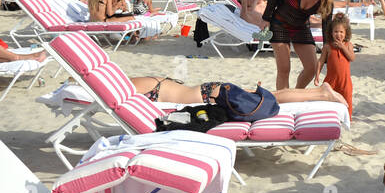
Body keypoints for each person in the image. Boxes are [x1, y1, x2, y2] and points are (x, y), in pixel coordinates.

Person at [263, 0, 336, 90]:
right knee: (284, 69)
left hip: (300, 27)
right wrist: (266, 18)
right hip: (279, 24)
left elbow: (327, 23)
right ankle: (284, 100)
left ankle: (296, 93)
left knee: (311, 68)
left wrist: (327, 44)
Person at [129, 75, 344, 108]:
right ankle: (318, 91)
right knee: (270, 95)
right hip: (210, 90)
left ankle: (321, 93)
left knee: (270, 98)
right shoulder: (142, 79)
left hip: (210, 96)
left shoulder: (131, 87)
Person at [318, 12, 355, 116]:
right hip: (331, 80)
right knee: (328, 100)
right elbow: (321, 61)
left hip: (345, 81)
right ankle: (329, 117)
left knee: (347, 100)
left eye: (341, 32)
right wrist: (317, 75)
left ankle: (347, 118)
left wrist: (343, 47)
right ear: (331, 33)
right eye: (336, 32)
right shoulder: (327, 46)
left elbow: (352, 58)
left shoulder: (348, 45)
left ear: (346, 33)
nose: (338, 34)